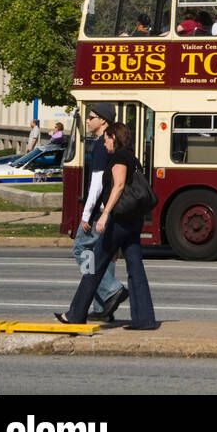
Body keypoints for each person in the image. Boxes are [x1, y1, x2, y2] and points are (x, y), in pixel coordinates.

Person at [57, 123, 158, 330]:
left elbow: (119, 186)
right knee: (135, 267)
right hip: (134, 219)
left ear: (114, 137)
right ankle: (144, 320)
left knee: (94, 265)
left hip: (119, 220)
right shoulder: (133, 157)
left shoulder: (120, 157)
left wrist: (104, 214)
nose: (104, 142)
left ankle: (75, 315)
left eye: (106, 138)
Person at [72, 102, 128, 321]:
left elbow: (96, 184)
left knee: (81, 251)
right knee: (104, 256)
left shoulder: (100, 145)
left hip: (98, 212)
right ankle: (103, 307)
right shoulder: (113, 142)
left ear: (103, 120)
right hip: (111, 210)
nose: (88, 120)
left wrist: (86, 214)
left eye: (92, 116)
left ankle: (110, 290)